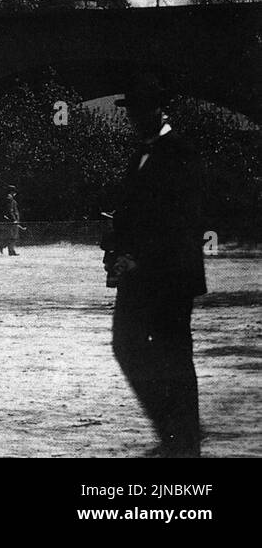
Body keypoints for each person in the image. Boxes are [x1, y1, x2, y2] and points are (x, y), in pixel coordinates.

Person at [108, 75, 207, 458]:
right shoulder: (140, 154)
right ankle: (175, 430)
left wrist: (141, 255)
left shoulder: (181, 152)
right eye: (131, 110)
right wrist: (116, 244)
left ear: (159, 110)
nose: (133, 117)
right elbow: (135, 213)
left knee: (174, 355)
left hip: (170, 274)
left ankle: (184, 441)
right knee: (126, 346)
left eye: (140, 110)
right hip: (137, 273)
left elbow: (182, 219)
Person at [0, 185, 22, 256]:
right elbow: (10, 210)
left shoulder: (10, 198)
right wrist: (14, 219)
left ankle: (9, 249)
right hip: (12, 221)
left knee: (12, 236)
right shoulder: (9, 199)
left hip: (12, 220)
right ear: (12, 191)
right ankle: (8, 249)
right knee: (13, 236)